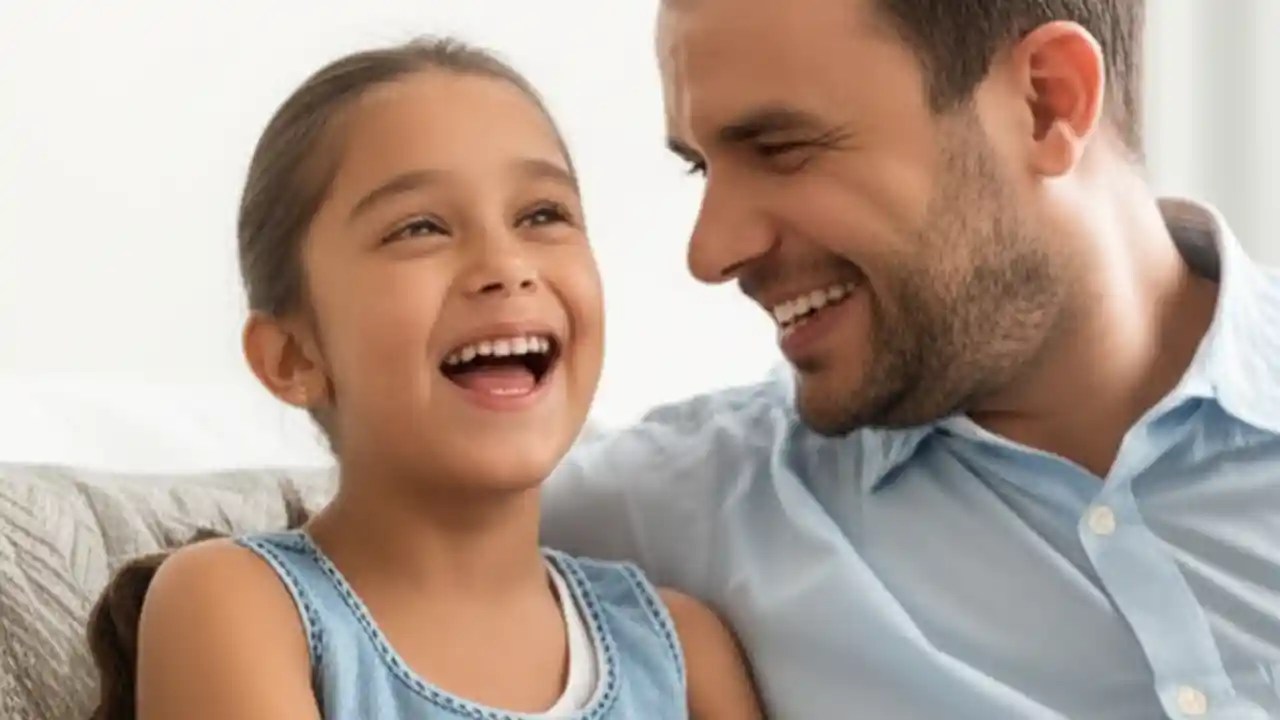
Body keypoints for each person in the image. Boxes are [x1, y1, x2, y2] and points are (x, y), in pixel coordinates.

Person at [542, 0, 1280, 717]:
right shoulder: (679, 508)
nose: (712, 252)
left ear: (1047, 102)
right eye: (704, 169)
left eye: (782, 150)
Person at [86, 38, 761, 720]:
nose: (507, 263)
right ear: (293, 356)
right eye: (420, 228)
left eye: (542, 215)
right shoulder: (233, 604)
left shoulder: (678, 647)